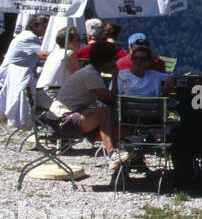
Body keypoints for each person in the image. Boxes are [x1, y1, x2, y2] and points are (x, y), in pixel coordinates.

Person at [46, 40, 130, 179]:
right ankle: (112, 154)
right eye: (113, 60)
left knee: (116, 126)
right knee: (105, 112)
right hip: (61, 121)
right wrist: (115, 76)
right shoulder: (91, 74)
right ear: (106, 61)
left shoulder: (91, 72)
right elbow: (109, 99)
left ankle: (120, 167)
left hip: (67, 117)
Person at [0, 15, 51, 127]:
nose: (47, 30)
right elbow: (42, 54)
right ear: (36, 26)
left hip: (14, 73)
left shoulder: (26, 35)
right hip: (14, 75)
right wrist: (65, 53)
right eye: (45, 27)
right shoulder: (29, 37)